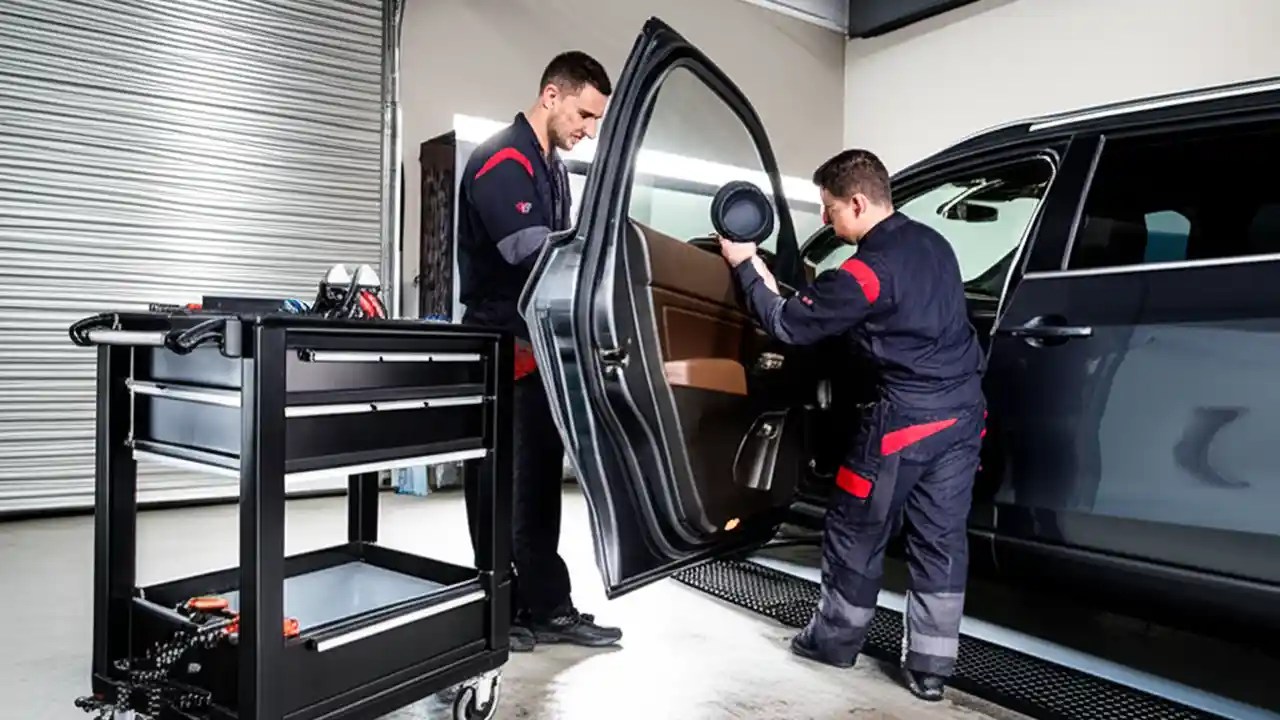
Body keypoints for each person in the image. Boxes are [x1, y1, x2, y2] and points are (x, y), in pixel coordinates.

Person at [718, 149, 985, 701]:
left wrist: (747, 265)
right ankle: (932, 670)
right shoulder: (934, 244)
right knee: (940, 540)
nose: (825, 221)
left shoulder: (864, 272)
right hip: (963, 416)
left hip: (903, 423)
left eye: (830, 208)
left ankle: (833, 643)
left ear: (858, 203)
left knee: (855, 527)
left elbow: (789, 326)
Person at [456, 50, 623, 653]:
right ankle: (497, 609)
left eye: (595, 121)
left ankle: (547, 605)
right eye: (583, 114)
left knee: (538, 487)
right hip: (503, 347)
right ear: (551, 95)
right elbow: (535, 256)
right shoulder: (503, 159)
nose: (587, 130)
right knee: (501, 487)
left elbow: (568, 252)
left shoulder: (551, 168)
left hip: (539, 349)